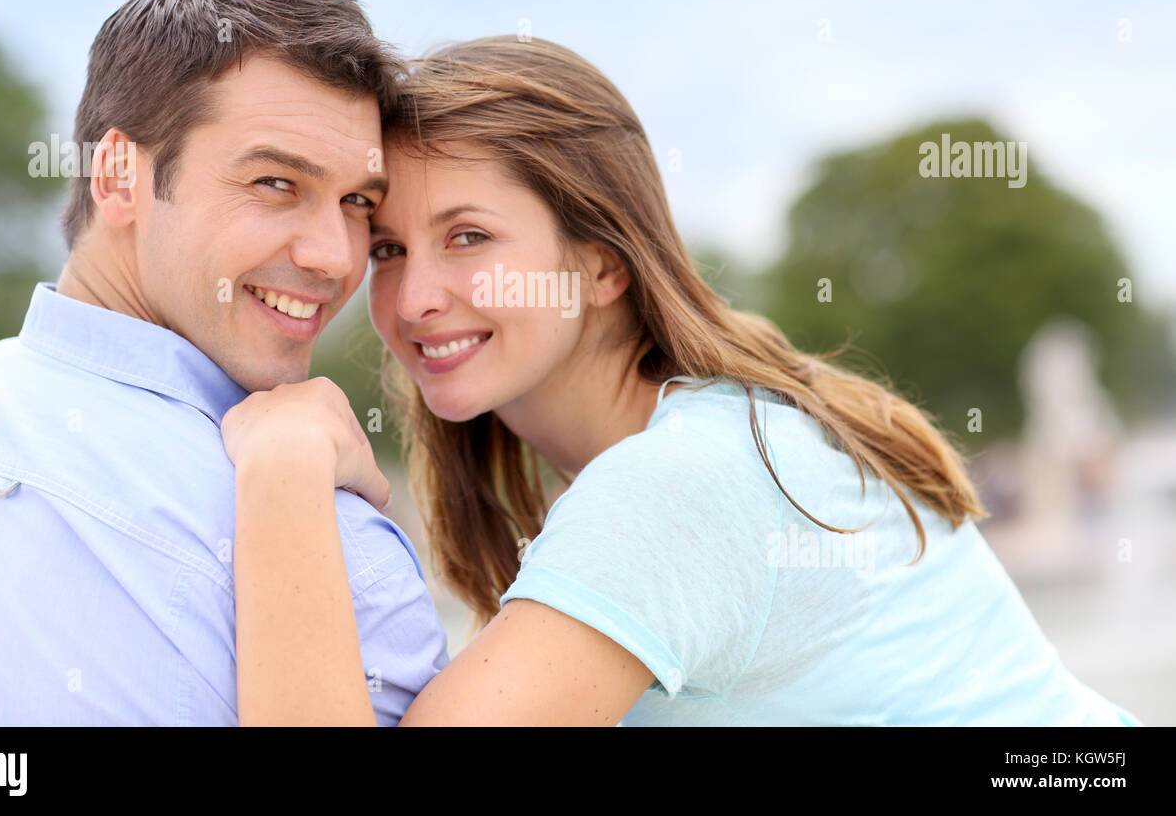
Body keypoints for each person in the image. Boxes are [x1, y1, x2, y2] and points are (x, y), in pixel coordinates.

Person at [221, 36, 1142, 726]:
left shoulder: (681, 484)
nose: (416, 297)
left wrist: (283, 471)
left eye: (470, 238)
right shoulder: (733, 426)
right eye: (388, 248)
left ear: (603, 265)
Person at [0, 0, 448, 724]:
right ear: (118, 177)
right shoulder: (334, 553)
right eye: (276, 183)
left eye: (356, 203)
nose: (336, 256)